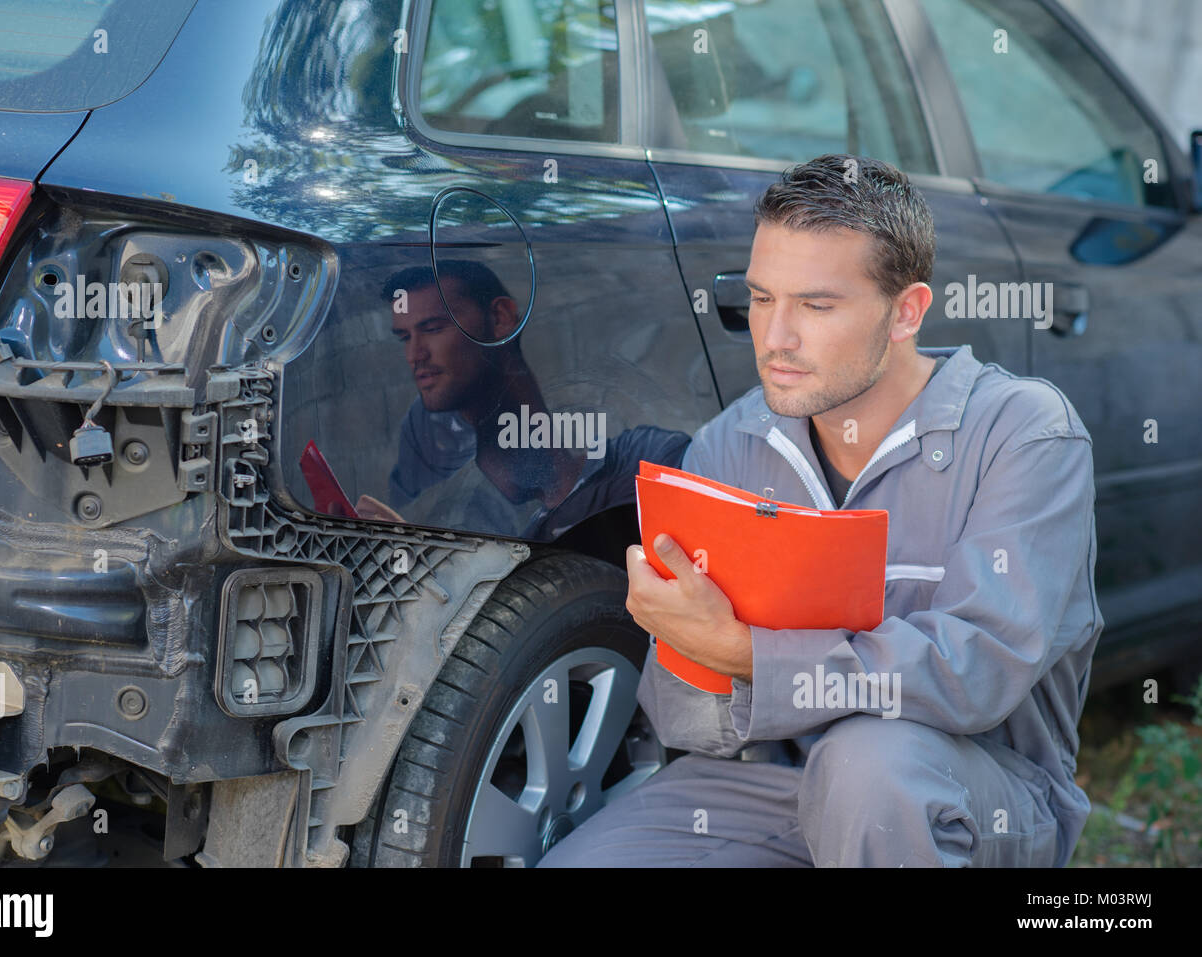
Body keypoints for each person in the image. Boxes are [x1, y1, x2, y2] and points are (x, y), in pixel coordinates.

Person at [539, 154, 1103, 868]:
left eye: (815, 304)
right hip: (764, 788)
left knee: (866, 770)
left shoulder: (1024, 432)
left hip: (962, 789)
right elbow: (686, 718)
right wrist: (689, 642)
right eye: (763, 298)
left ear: (906, 312)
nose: (774, 338)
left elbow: (977, 672)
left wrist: (747, 653)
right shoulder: (730, 444)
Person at [356, 260, 688, 536]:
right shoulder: (463, 512)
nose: (414, 354)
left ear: (500, 318)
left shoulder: (645, 458)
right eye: (404, 337)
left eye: (432, 328)